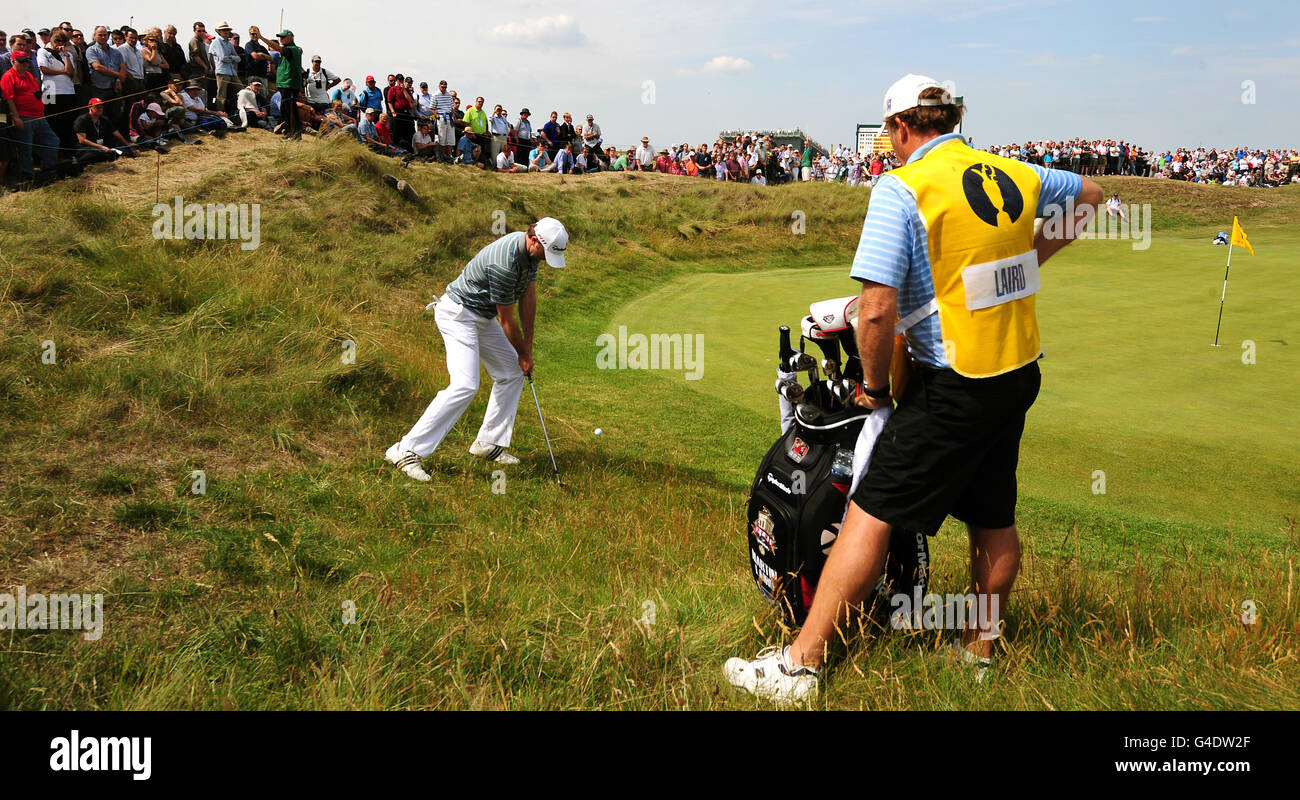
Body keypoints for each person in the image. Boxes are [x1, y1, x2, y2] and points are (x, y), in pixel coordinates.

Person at [723, 74, 1102, 703]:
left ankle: (800, 668)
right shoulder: (1011, 170)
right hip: (1016, 372)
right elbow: (1089, 193)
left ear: (900, 126)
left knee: (869, 514)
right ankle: (977, 653)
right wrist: (1030, 261)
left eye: (889, 134)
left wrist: (873, 389)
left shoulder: (902, 188)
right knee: (991, 516)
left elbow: (874, 311)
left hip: (952, 384)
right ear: (952, 118)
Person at [385, 218, 571, 481]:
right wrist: (523, 353)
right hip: (458, 315)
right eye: (546, 254)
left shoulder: (531, 255)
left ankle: (488, 443)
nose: (545, 260)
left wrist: (526, 350)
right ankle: (405, 450)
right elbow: (507, 319)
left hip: (482, 317)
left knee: (512, 372)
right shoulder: (504, 263)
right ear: (534, 240)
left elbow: (528, 298)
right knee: (465, 385)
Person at [2, 49, 63, 184]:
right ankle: (27, 175)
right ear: (13, 61)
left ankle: (48, 169)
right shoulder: (8, 77)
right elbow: (9, 99)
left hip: (39, 116)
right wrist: (16, 117)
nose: (25, 64)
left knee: (52, 141)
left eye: (27, 61)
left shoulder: (29, 75)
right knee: (26, 148)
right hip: (23, 117)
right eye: (22, 62)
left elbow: (36, 92)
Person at [251, 27, 302, 139]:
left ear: (291, 38)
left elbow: (278, 48)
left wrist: (261, 37)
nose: (281, 39)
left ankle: (293, 133)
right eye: (280, 37)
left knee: (289, 109)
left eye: (283, 37)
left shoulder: (291, 49)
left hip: (289, 84)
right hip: (287, 84)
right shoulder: (294, 50)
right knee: (287, 108)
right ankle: (292, 131)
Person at [208, 22, 244, 116]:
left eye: (227, 29)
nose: (226, 31)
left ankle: (241, 113)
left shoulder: (229, 43)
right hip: (222, 72)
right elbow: (223, 58)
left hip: (231, 72)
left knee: (242, 91)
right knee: (221, 96)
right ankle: (222, 115)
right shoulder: (216, 42)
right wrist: (232, 57)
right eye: (224, 30)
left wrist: (230, 57)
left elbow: (238, 59)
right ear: (219, 31)